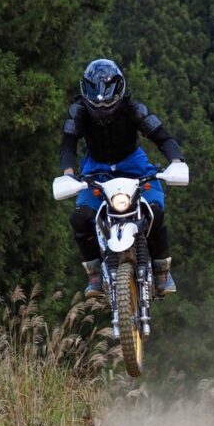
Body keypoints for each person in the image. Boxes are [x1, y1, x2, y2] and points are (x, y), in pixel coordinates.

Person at [60, 58, 186, 298]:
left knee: (155, 211)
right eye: (96, 101)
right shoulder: (78, 112)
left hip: (134, 166)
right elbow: (68, 145)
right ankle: (94, 274)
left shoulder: (134, 109)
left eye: (107, 100)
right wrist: (68, 175)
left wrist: (176, 162)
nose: (102, 106)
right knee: (80, 218)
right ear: (85, 93)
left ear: (119, 91)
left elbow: (162, 137)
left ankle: (162, 271)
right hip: (96, 170)